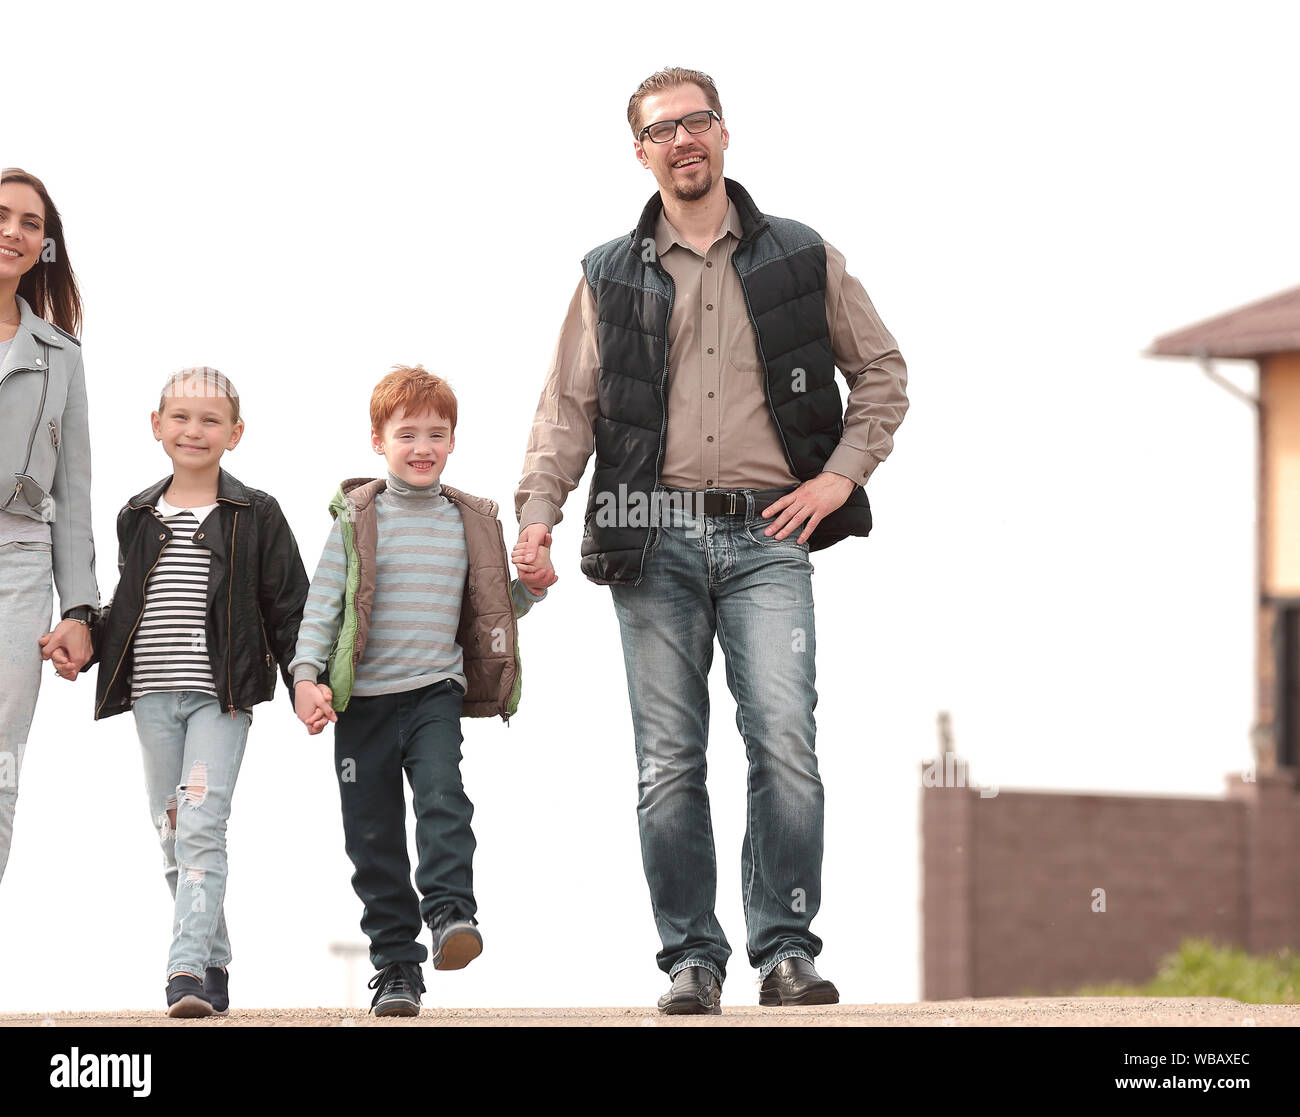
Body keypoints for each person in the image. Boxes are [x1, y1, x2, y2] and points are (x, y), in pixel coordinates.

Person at [513, 68, 909, 1014]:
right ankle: (692, 956)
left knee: (785, 743)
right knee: (668, 760)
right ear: (640, 151)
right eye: (662, 129)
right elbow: (566, 408)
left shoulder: (802, 256)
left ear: (724, 133)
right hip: (649, 542)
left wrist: (839, 476)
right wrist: (538, 512)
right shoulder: (606, 272)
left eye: (697, 121)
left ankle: (786, 951)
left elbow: (884, 373)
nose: (682, 139)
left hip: (771, 534)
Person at [290, 366, 548, 1017]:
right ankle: (398, 966)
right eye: (408, 433)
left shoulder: (469, 520)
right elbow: (323, 606)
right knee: (371, 835)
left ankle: (451, 913)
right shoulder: (357, 519)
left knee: (443, 797)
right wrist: (305, 678)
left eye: (437, 433)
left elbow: (494, 605)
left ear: (453, 440)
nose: (423, 445)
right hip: (363, 704)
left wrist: (534, 585)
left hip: (435, 694)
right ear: (378, 440)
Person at [87, 368, 309, 1017]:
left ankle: (182, 971)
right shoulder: (137, 514)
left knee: (204, 823)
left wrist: (305, 680)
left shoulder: (256, 512)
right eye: (180, 416)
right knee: (172, 831)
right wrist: (84, 632)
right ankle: (214, 959)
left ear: (235, 433)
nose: (194, 429)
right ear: (156, 426)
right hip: (150, 694)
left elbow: (288, 607)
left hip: (222, 694)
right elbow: (127, 602)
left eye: (211, 419)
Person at [0, 167, 98, 885]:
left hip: (19, 564)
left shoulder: (61, 355)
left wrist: (80, 608)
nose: (13, 231)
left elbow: (75, 488)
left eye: (30, 223)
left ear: (45, 246)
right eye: (3, 216)